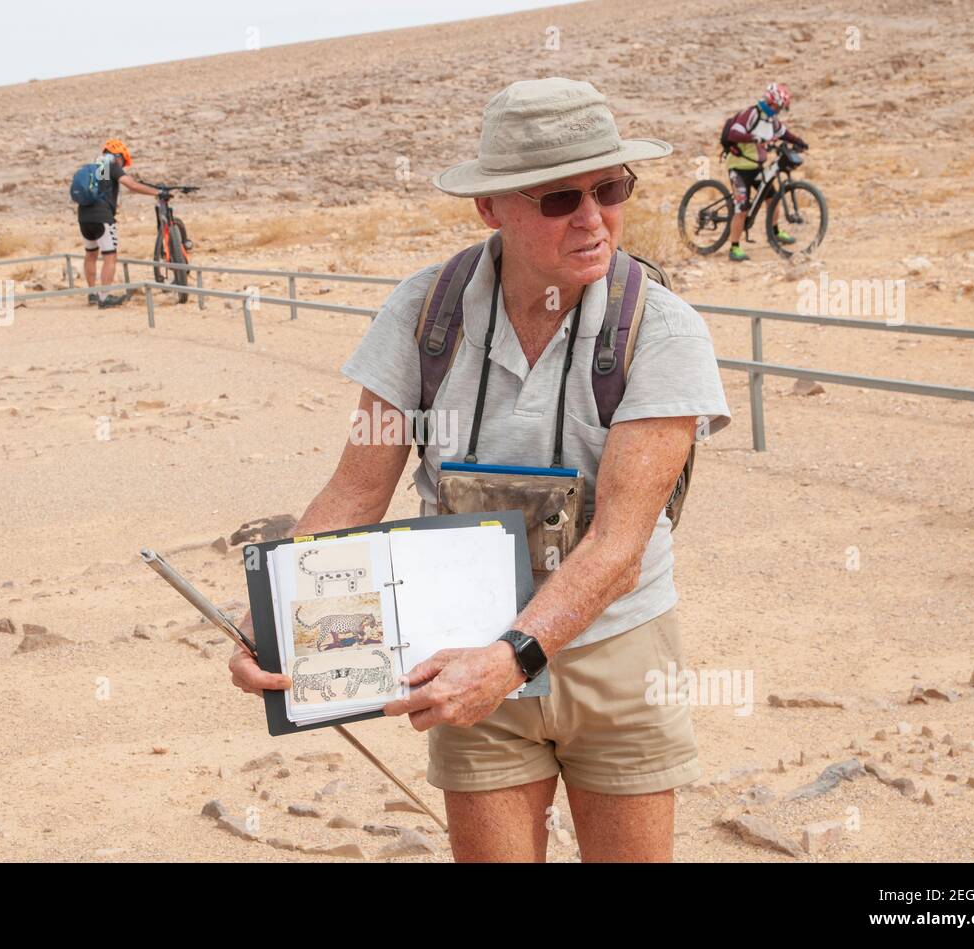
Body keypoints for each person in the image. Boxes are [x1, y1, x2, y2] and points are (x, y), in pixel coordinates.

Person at [228, 78, 732, 862]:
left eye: (610, 187)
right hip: (462, 650)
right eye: (562, 197)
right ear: (491, 207)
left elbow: (617, 547)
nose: (594, 217)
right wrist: (274, 614)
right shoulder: (424, 314)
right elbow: (358, 488)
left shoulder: (662, 331)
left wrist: (511, 658)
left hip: (615, 651)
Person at [723, 83, 809, 261]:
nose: (778, 111)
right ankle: (734, 247)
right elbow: (734, 134)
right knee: (742, 207)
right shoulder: (751, 114)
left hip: (756, 167)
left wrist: (800, 142)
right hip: (739, 168)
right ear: (770, 102)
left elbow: (784, 133)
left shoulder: (771, 120)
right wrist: (756, 138)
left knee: (773, 198)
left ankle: (775, 232)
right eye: (777, 107)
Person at [77, 139, 161, 307]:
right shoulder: (112, 165)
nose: (122, 165)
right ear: (119, 156)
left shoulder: (92, 168)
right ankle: (104, 298)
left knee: (91, 254)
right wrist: (157, 192)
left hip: (83, 216)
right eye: (123, 161)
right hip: (102, 218)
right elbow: (131, 185)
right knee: (110, 256)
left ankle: (92, 294)